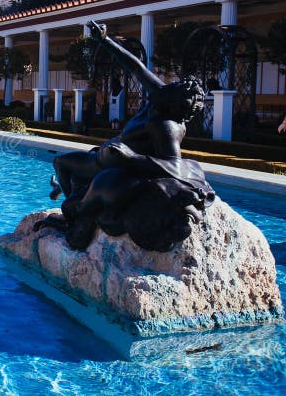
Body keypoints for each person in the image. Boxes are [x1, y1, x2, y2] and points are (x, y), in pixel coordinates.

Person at [42, 22, 215, 252]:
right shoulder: (163, 97)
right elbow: (136, 67)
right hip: (102, 156)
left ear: (177, 106)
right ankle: (69, 193)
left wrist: (132, 158)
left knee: (61, 163)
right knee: (67, 169)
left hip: (103, 164)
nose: (163, 88)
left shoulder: (167, 127)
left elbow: (174, 167)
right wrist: (105, 40)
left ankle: (70, 207)